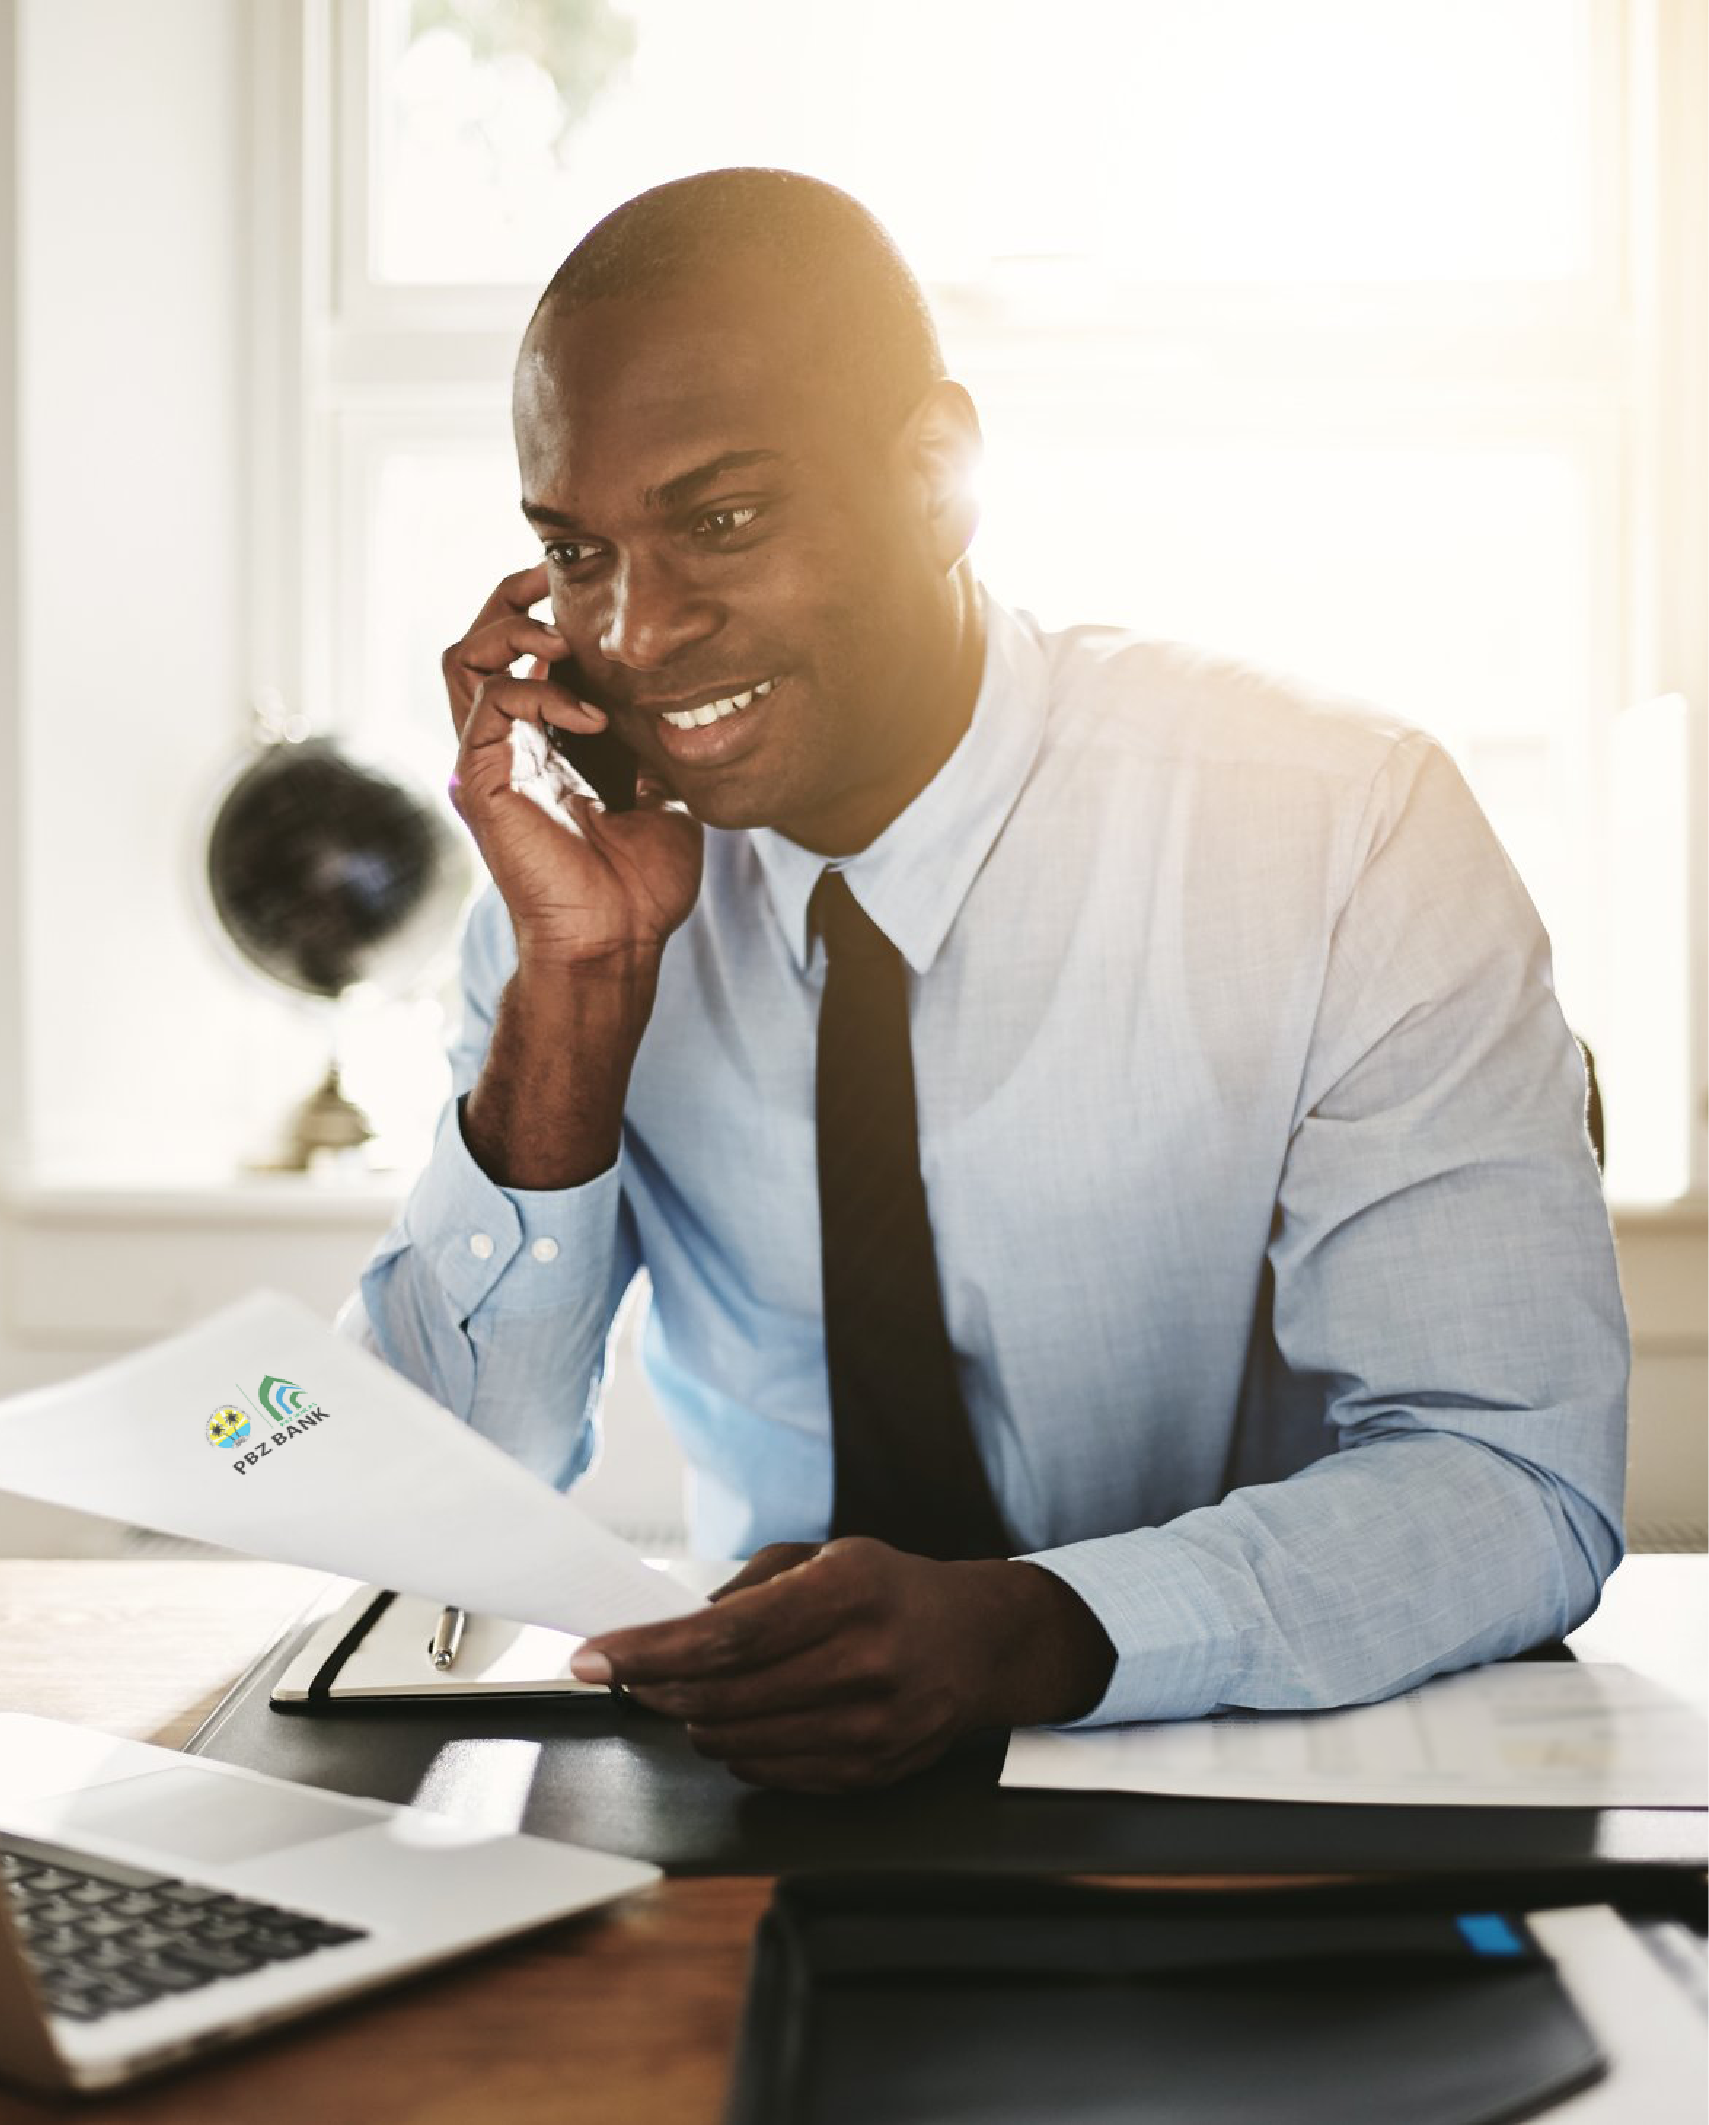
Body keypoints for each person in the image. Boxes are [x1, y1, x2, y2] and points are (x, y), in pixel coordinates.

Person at [359, 167, 1628, 1793]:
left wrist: (1033, 1630)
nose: (641, 630)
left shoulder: (1337, 825)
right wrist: (577, 992)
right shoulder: (575, 908)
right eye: (573, 550)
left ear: (939, 478)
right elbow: (427, 1500)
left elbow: (1512, 1478)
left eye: (722, 519)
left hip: (1283, 1785)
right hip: (773, 1802)